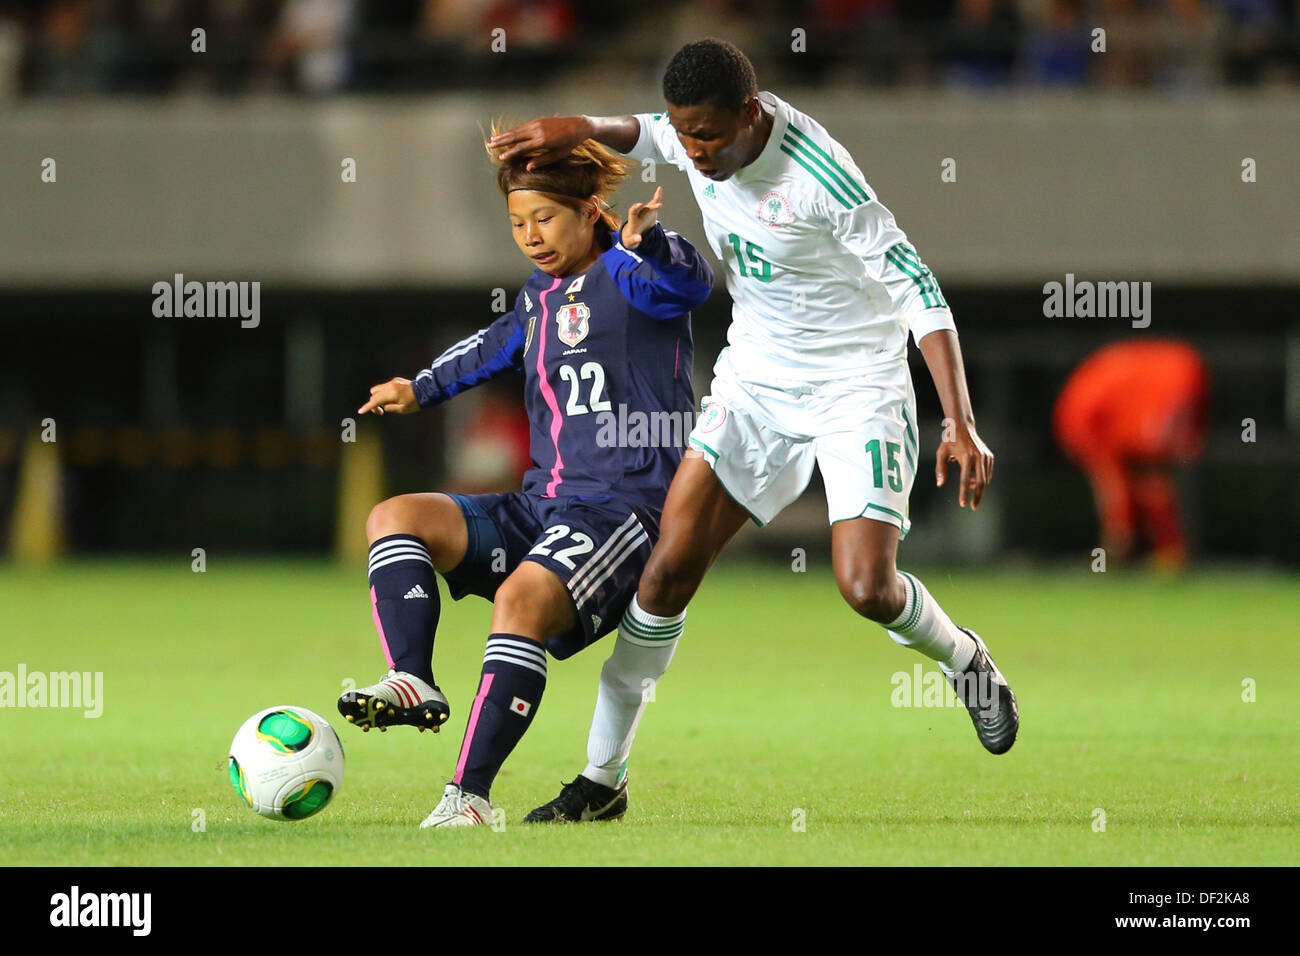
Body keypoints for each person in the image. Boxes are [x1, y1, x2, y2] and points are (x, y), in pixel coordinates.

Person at [489, 37, 1019, 824]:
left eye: (706, 135)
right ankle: (602, 781)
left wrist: (961, 423)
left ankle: (965, 660)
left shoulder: (819, 176)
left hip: (857, 387)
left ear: (751, 111)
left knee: (867, 588)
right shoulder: (698, 130)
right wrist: (577, 124)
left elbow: (919, 288)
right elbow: (644, 129)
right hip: (758, 384)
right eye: (685, 133)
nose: (693, 151)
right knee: (666, 571)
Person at [338, 134, 713, 828]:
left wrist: (650, 242)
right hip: (544, 505)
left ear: (590, 208)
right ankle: (414, 678)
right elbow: (492, 345)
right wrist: (416, 387)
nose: (530, 236)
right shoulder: (540, 296)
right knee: (396, 517)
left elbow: (690, 282)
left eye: (544, 217)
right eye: (517, 223)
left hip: (622, 512)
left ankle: (469, 800)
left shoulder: (636, 273)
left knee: (520, 602)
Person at [1054, 339, 1208, 570]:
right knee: (1142, 481)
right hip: (1106, 413)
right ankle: (1143, 550)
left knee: (1144, 480)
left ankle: (1143, 550)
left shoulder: (1176, 369)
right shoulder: (1083, 420)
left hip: (1117, 409)